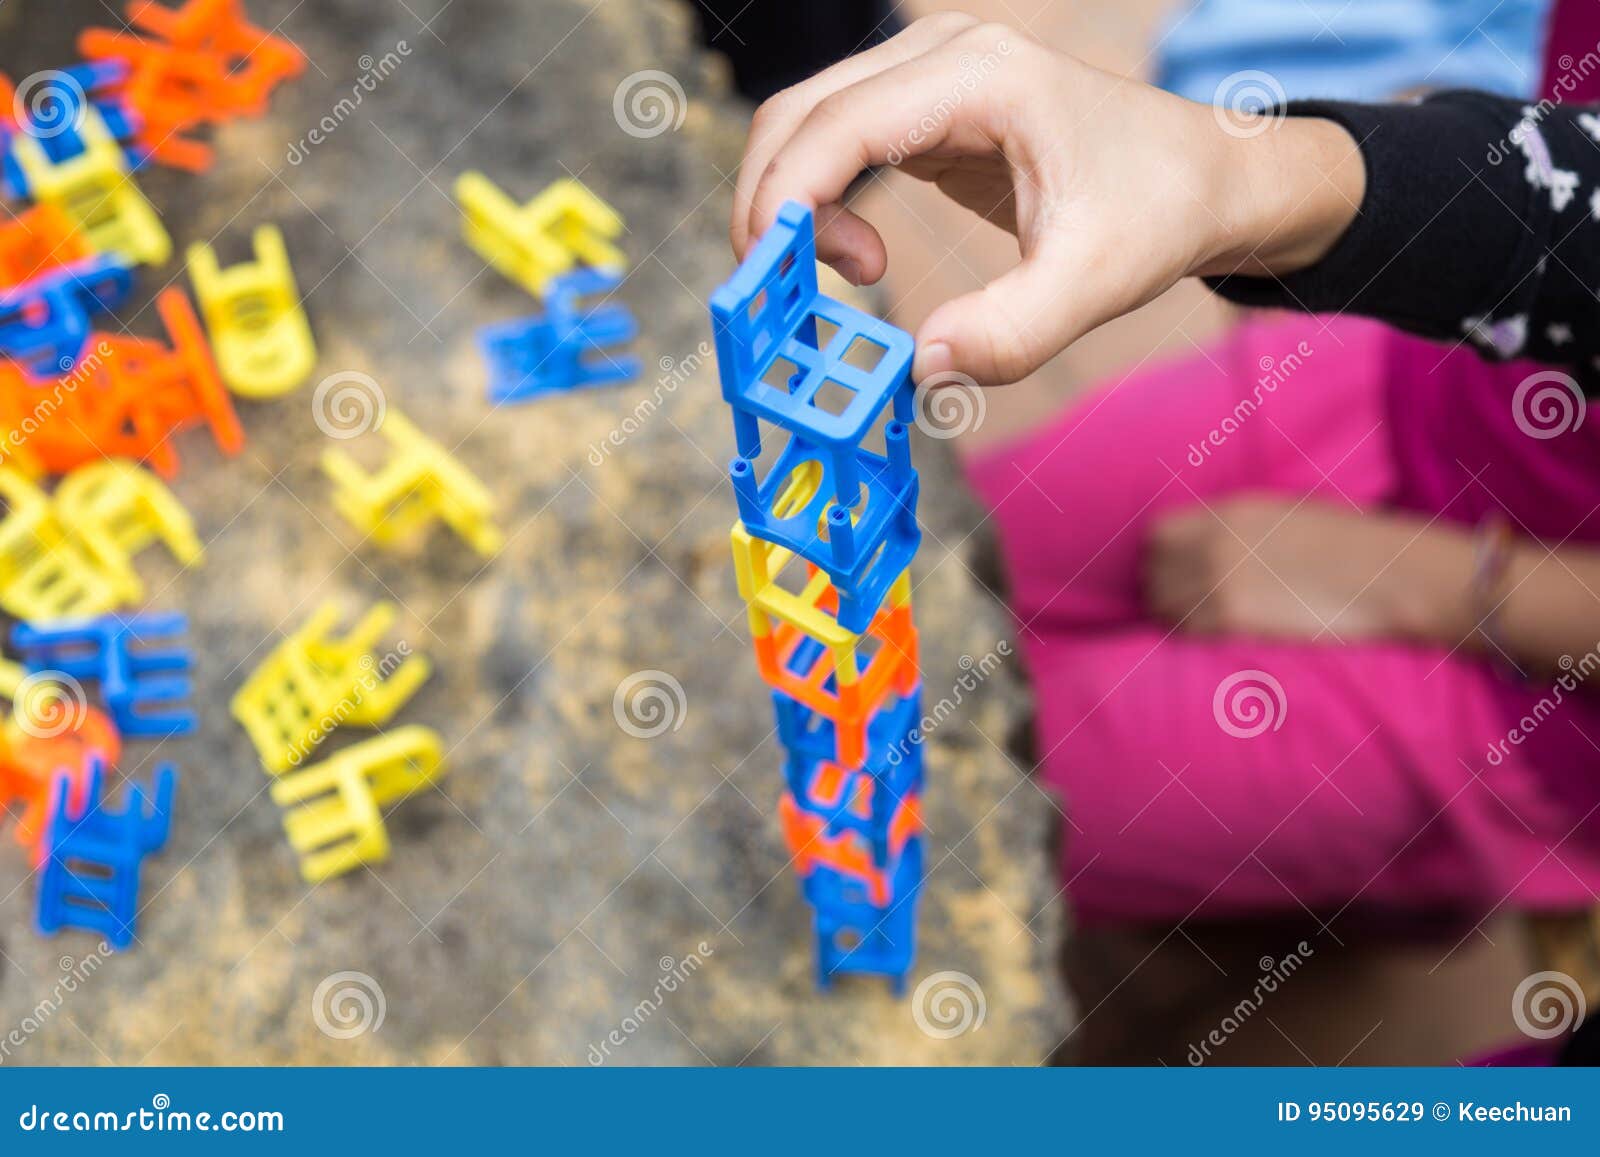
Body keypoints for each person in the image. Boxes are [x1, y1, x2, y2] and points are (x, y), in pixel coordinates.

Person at [729, 13, 1600, 955]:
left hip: (1538, 702)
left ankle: (1397, 902)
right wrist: (1234, 177)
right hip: (1422, 379)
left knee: (918, 818)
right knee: (944, 572)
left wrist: (1425, 580)